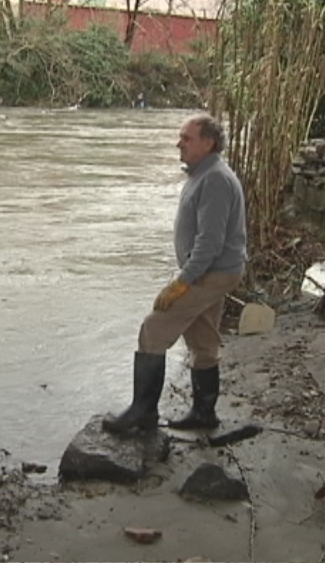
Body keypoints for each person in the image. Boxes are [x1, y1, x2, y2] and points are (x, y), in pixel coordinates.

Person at [103, 114, 247, 433]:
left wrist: (181, 283)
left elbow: (210, 244)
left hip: (213, 271)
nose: (178, 144)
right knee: (203, 339)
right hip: (214, 269)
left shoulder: (215, 180)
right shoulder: (204, 174)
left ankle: (143, 412)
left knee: (154, 328)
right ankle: (204, 415)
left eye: (186, 138)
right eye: (180, 137)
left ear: (208, 143)